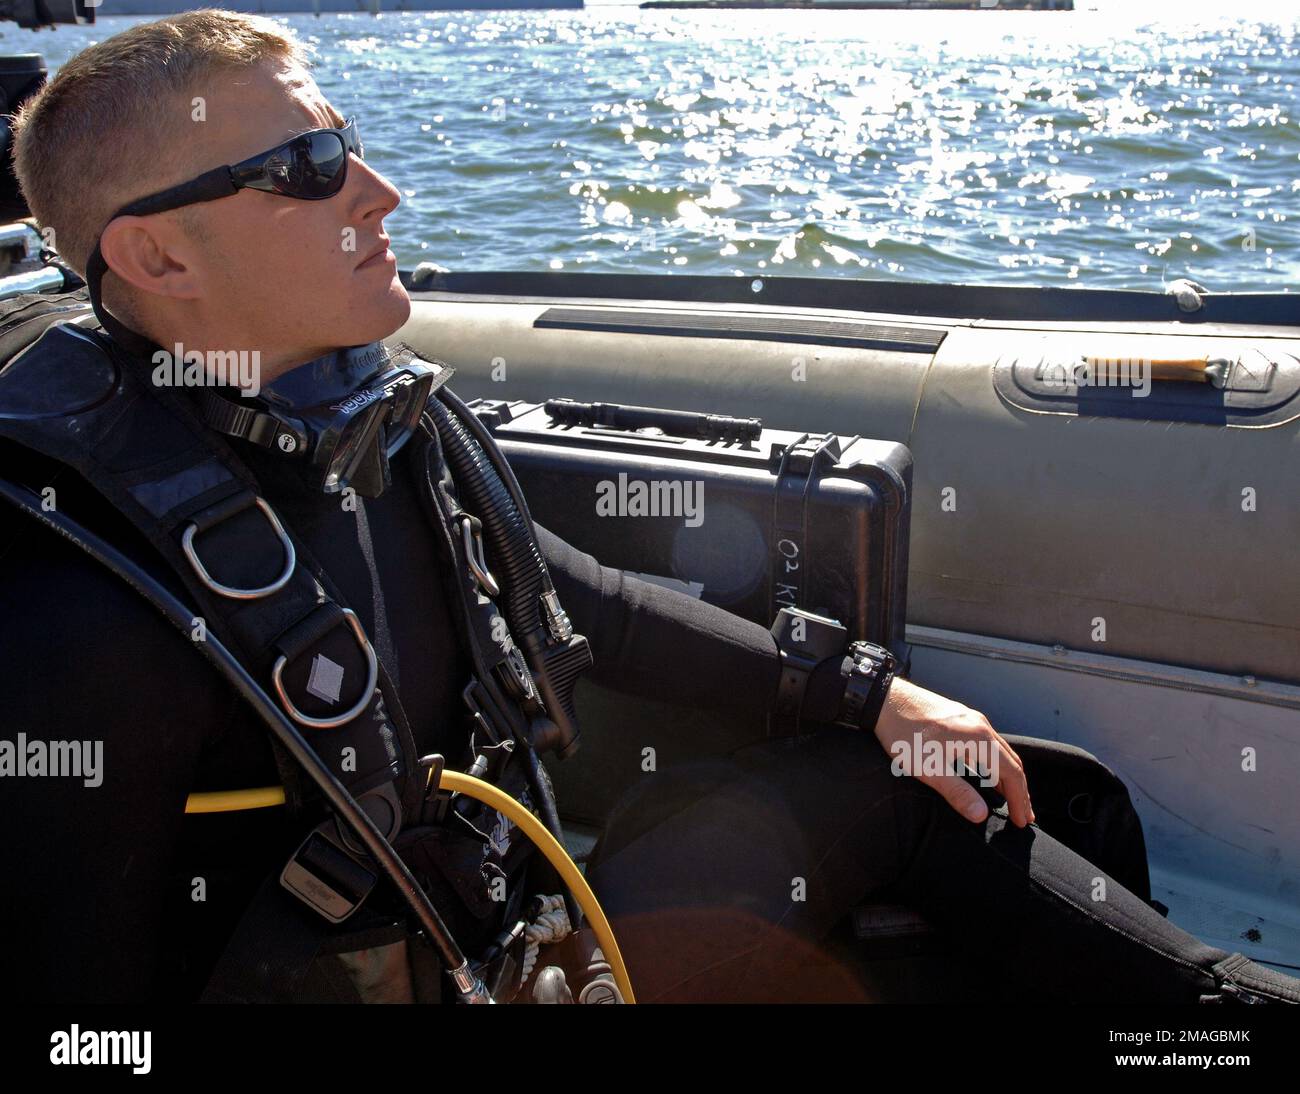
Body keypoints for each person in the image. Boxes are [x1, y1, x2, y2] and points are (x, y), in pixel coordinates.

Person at [0, 9, 1294, 1005]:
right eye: (315, 163)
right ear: (156, 254)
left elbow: (580, 603)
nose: (380, 194)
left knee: (947, 775)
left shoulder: (386, 429)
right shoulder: (81, 610)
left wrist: (873, 693)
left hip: (531, 937)